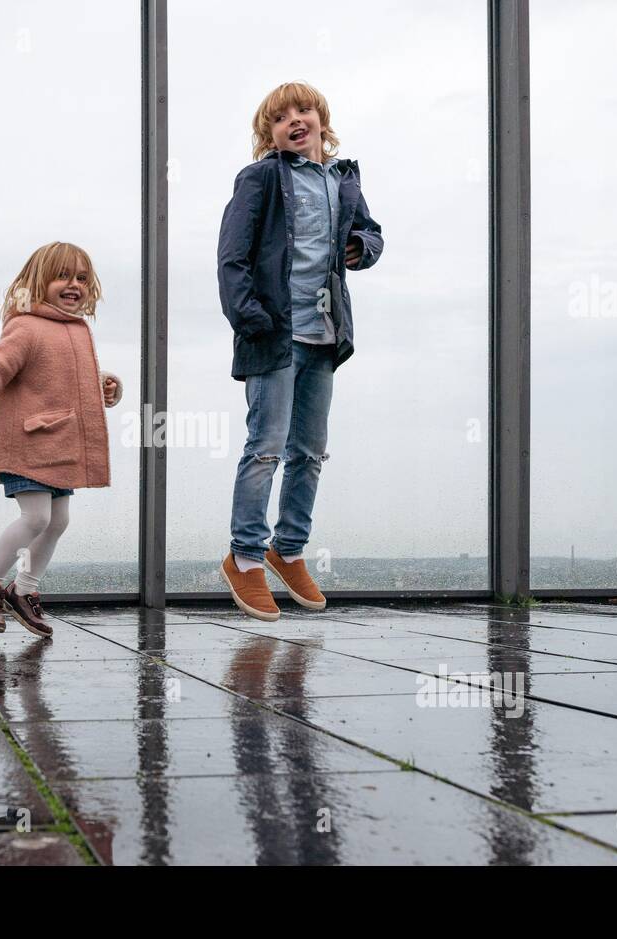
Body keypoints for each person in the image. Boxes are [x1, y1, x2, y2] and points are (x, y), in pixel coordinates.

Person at [216, 81, 384, 621]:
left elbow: (372, 234)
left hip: (325, 334)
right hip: (275, 334)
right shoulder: (261, 178)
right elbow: (232, 256)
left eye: (304, 110)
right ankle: (245, 557)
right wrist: (253, 321)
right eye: (281, 116)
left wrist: (362, 246)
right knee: (266, 448)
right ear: (269, 133)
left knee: (309, 453)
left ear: (321, 121)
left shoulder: (343, 180)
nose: (294, 119)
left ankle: (287, 551)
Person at [0, 241, 122, 639]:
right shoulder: (25, 327)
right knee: (37, 518)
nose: (74, 284)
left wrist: (103, 388)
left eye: (82, 278)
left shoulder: (76, 330)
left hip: (57, 446)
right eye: (62, 276)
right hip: (25, 443)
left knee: (58, 521)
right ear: (39, 281)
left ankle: (23, 588)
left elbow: (61, 382)